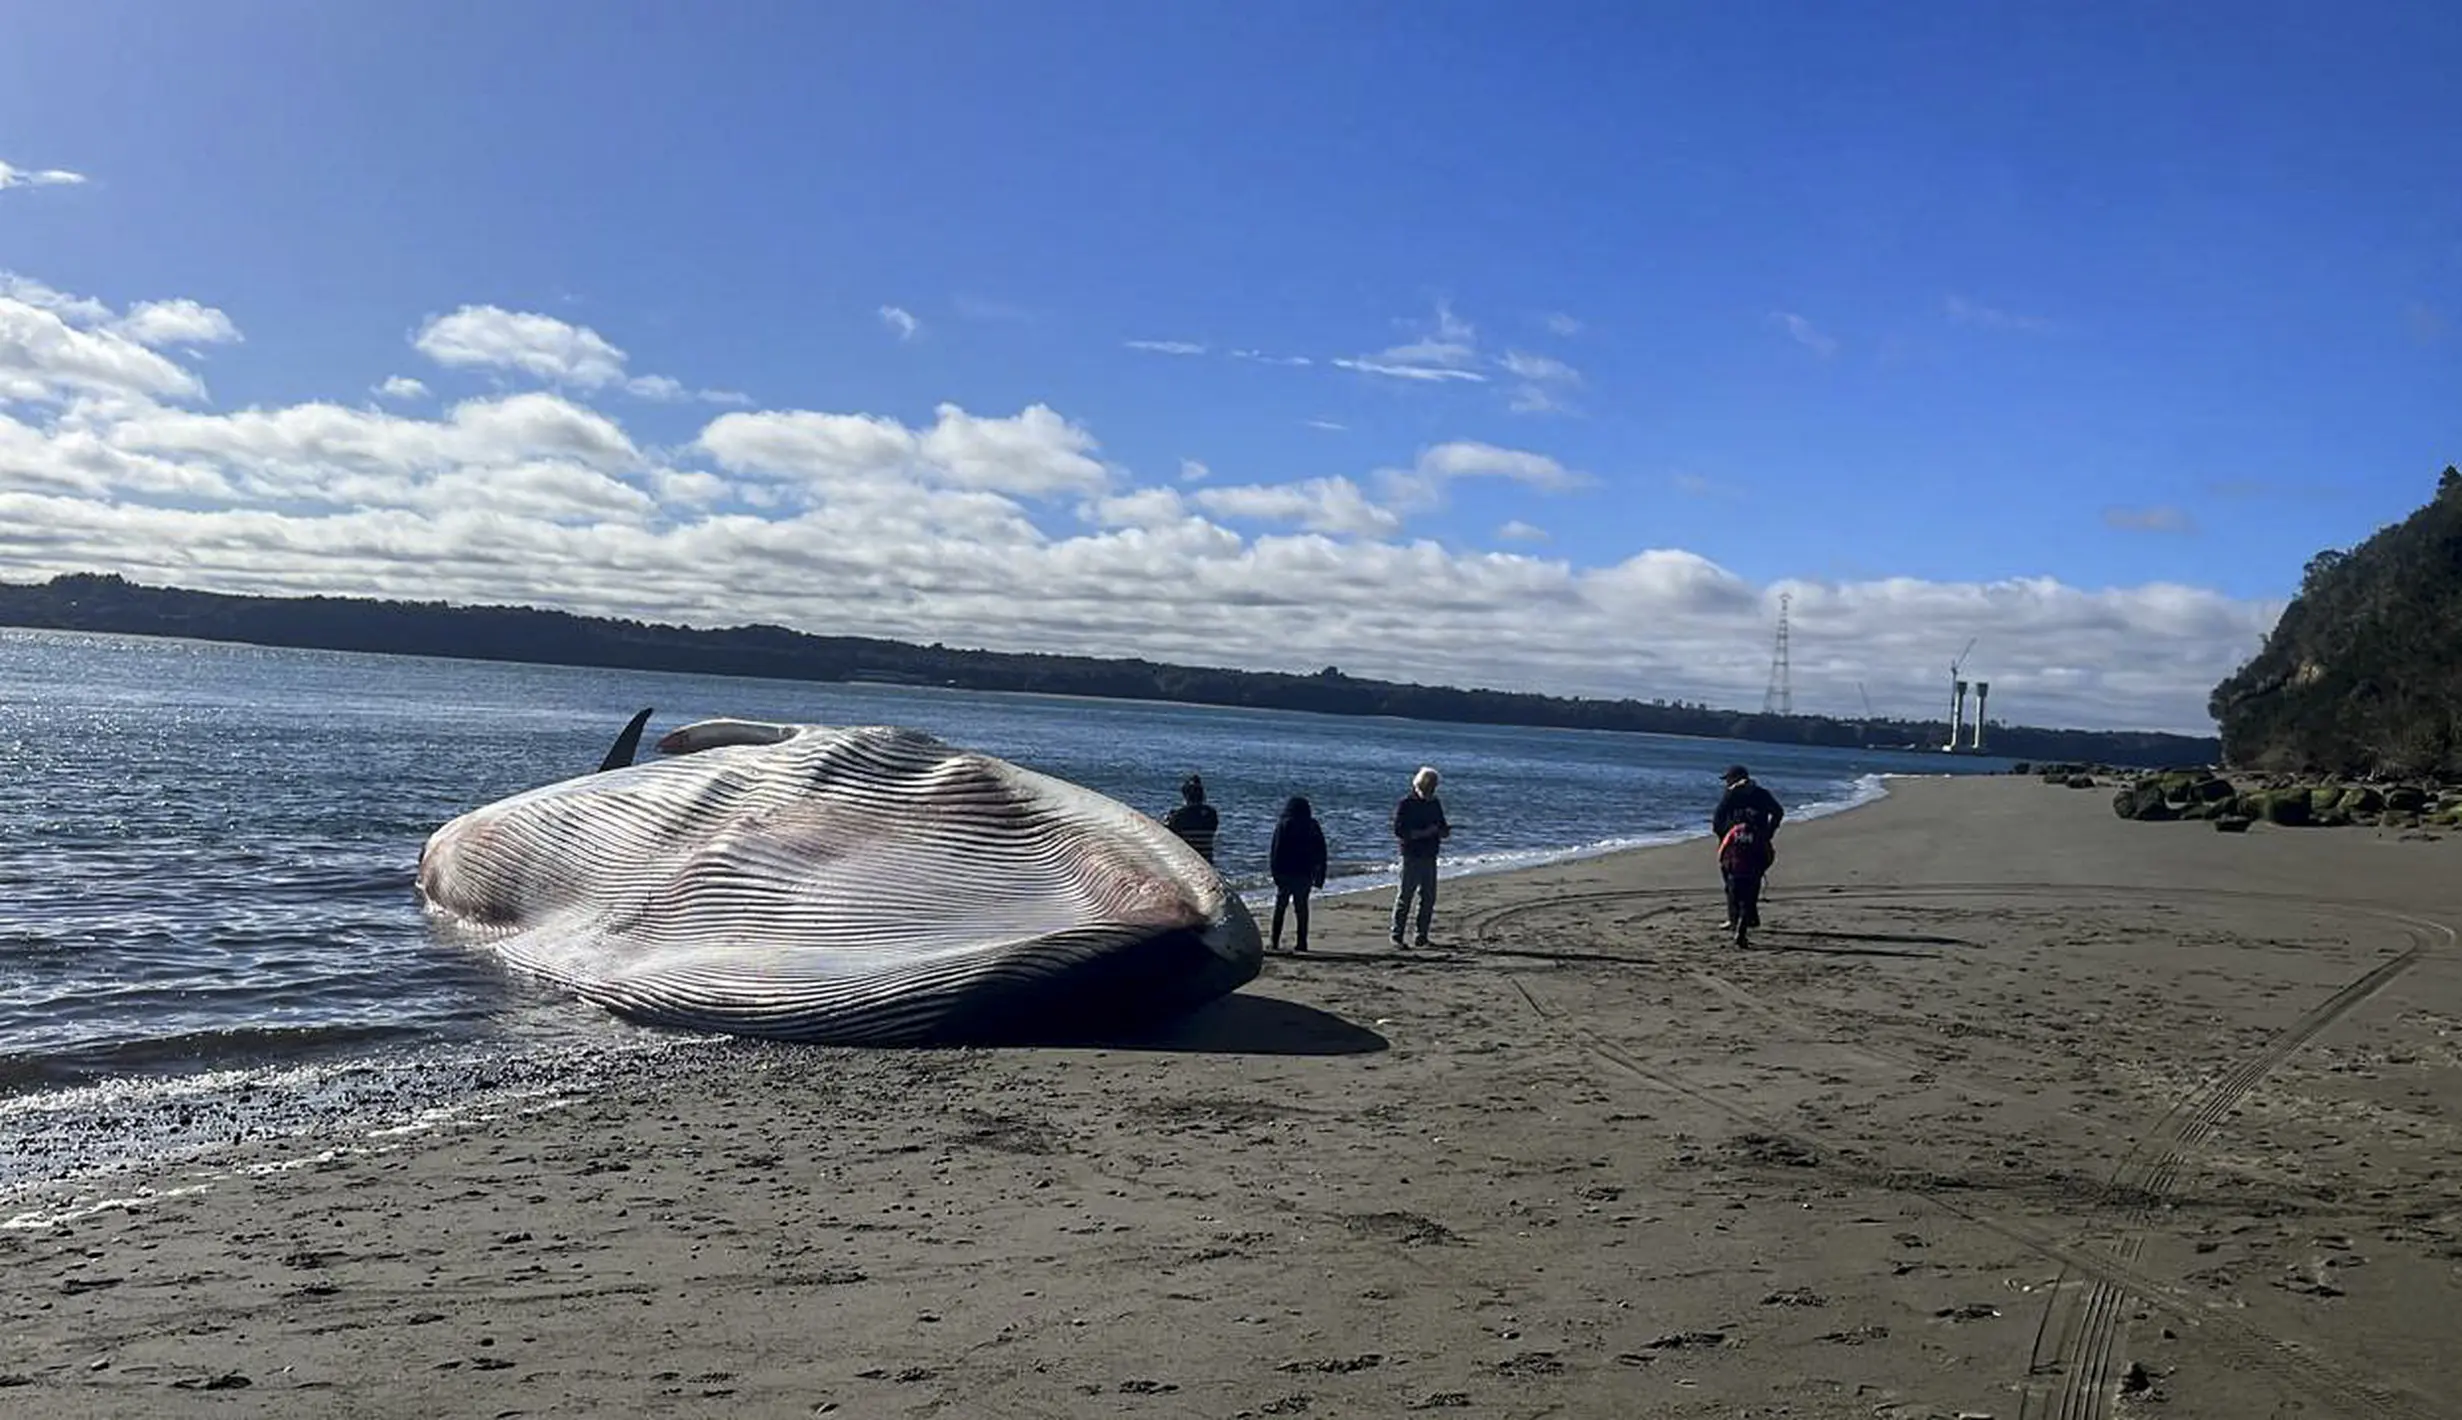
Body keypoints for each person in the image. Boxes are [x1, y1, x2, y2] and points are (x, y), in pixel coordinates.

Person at [1712, 764, 1785, 947]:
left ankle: (1735, 920)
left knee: (1732, 884)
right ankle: (1747, 919)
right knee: (1752, 882)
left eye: (1728, 779)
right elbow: (1778, 812)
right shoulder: (1762, 793)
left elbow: (1718, 818)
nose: (1726, 783)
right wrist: (1768, 832)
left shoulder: (1732, 794)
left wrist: (1724, 836)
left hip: (1733, 844)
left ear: (1735, 778)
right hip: (1757, 842)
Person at [1390, 765, 1451, 947]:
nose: (1431, 791)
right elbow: (1399, 831)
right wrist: (1424, 833)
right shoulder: (1406, 804)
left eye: (1434, 787)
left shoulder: (1434, 803)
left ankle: (1421, 935)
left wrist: (1442, 832)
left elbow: (1441, 825)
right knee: (1405, 896)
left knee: (1428, 897)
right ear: (1420, 785)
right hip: (1411, 854)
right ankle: (1397, 935)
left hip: (1430, 854)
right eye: (1429, 787)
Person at [1267, 795, 1329, 952]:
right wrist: (1320, 876)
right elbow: (1321, 852)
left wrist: (1275, 873)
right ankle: (1302, 942)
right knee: (1302, 909)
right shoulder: (1312, 825)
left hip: (1286, 873)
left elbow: (1275, 851)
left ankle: (1274, 941)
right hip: (1305, 873)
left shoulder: (1284, 824)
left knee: (1280, 908)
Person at [1162, 774, 1220, 861]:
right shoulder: (1211, 813)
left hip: (1187, 859)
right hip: (1207, 859)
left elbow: (1168, 834)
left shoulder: (1180, 814)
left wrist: (1168, 819)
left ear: (1186, 796)